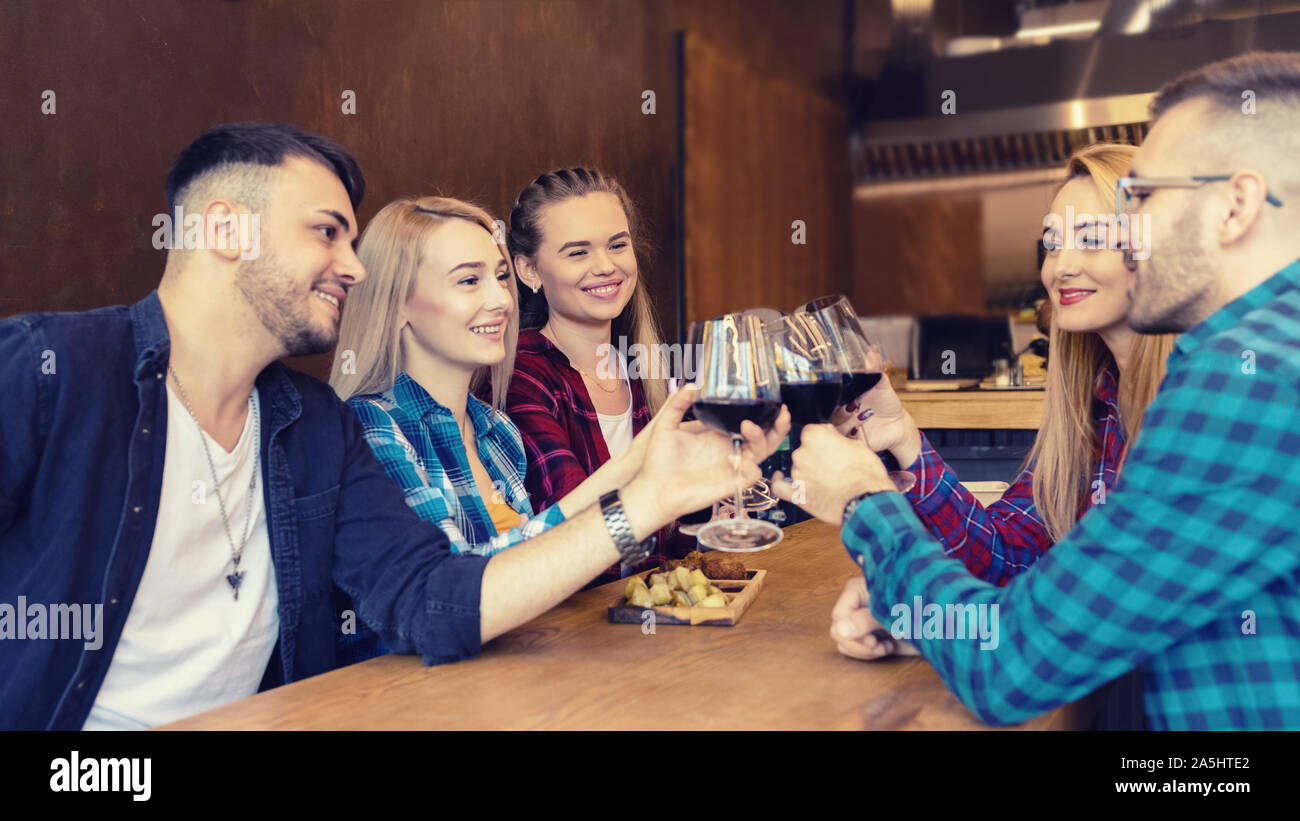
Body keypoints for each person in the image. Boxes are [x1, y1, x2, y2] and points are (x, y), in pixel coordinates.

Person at [0, 123, 783, 730]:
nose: (356, 264)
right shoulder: (54, 370)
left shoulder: (311, 429)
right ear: (225, 228)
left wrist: (646, 501)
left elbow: (436, 601)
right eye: (326, 231)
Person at [775, 51, 1300, 730]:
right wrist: (932, 620)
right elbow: (1080, 612)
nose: (1128, 234)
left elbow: (1010, 667)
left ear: (1235, 206)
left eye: (1141, 200)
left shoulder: (1244, 383)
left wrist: (860, 501)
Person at [326, 196, 693, 663]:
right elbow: (458, 594)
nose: (501, 299)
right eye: (468, 281)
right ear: (397, 303)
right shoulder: (371, 427)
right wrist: (633, 475)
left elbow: (535, 570)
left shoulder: (496, 430)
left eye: (500, 277)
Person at [833, 143, 1176, 588]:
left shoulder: (1197, 414)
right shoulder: (1093, 408)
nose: (1061, 267)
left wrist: (868, 505)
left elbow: (1115, 613)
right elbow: (1007, 554)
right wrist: (904, 436)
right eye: (1053, 244)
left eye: (1092, 239)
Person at [504, 167, 689, 585]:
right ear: (528, 270)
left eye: (617, 245)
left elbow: (681, 533)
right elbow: (579, 531)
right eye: (577, 252)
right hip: (574, 630)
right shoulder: (521, 373)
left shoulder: (645, 369)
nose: (606, 266)